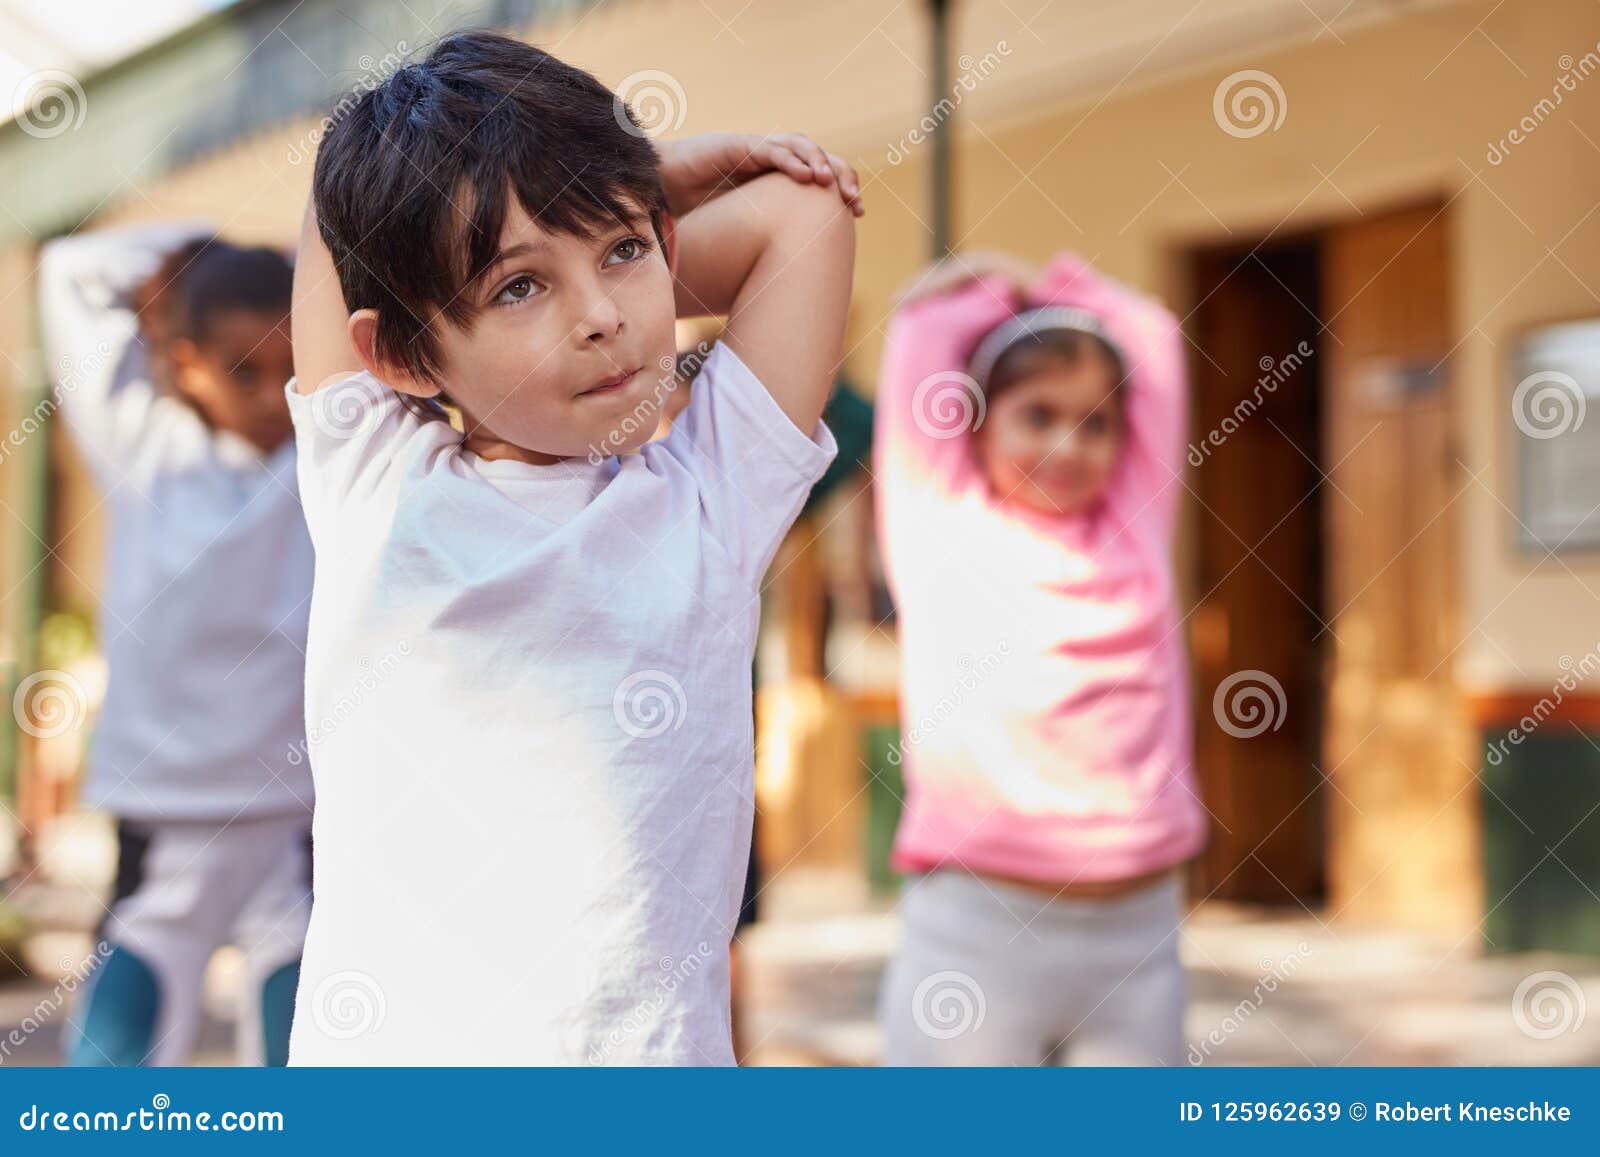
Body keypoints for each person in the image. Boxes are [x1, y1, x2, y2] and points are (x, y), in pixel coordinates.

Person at [284, 29, 860, 1064]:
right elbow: (336, 240)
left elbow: (805, 212)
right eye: (519, 287)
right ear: (405, 355)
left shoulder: (706, 497)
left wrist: (631, 196)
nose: (602, 316)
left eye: (625, 255)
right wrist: (626, 206)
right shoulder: (374, 485)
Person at [873, 249, 1206, 1065]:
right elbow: (920, 340)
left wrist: (1059, 283)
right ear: (975, 422)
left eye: (1095, 423)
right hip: (976, 937)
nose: (1069, 443)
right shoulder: (941, 524)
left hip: (1137, 939)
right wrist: (992, 288)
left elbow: (1153, 338)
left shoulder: (1133, 530)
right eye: (1038, 414)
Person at [37, 225, 314, 1066]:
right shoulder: (141, 444)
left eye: (291, 369)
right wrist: (205, 247)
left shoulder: (327, 455)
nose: (274, 394)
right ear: (186, 363)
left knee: (307, 1036)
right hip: (167, 807)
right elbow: (70, 268)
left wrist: (314, 264)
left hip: (293, 807)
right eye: (243, 370)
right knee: (120, 1050)